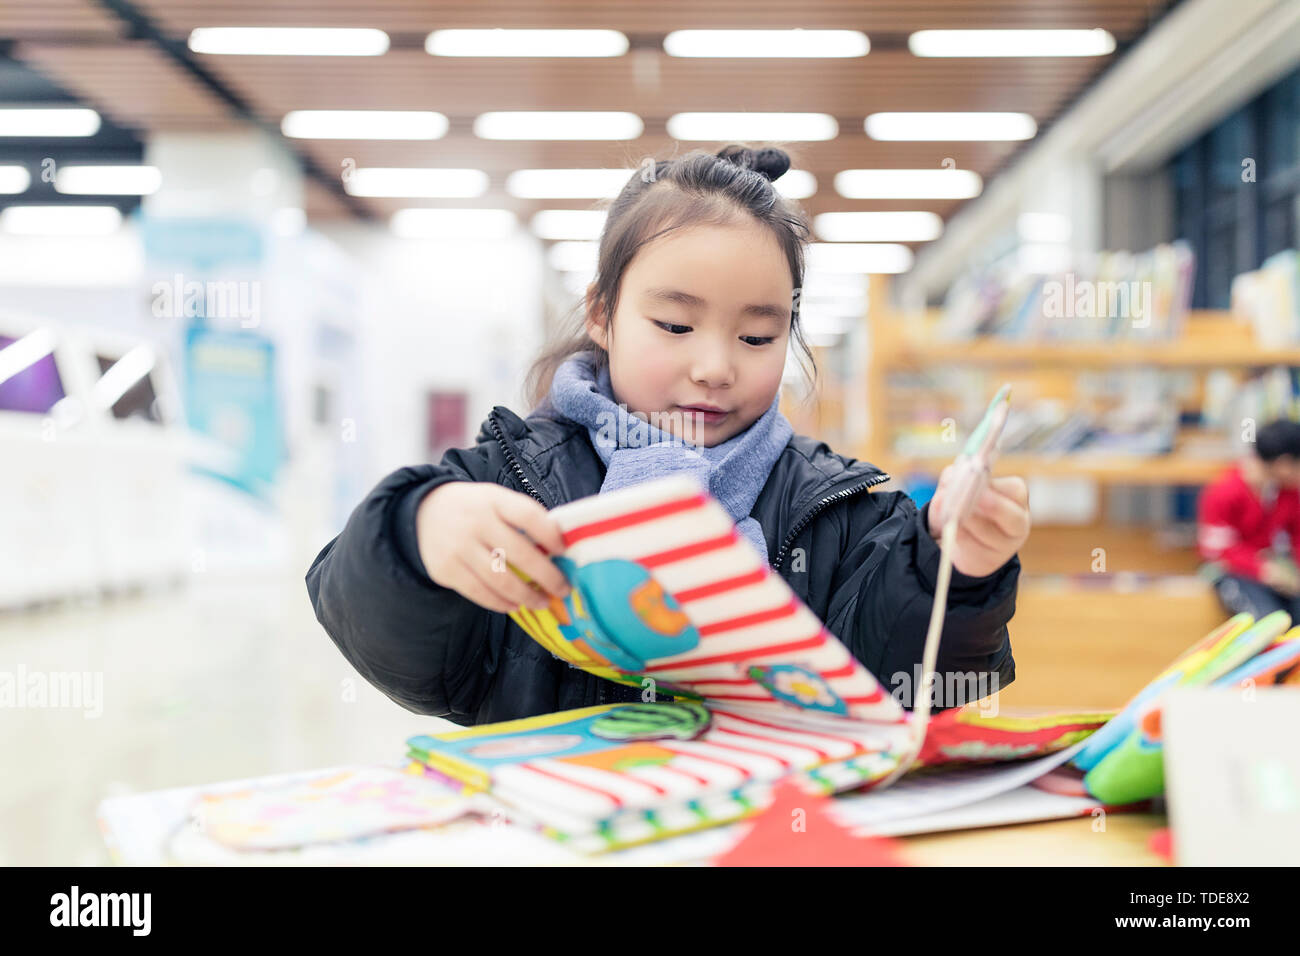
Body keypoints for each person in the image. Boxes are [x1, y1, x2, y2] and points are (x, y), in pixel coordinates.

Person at [305, 144, 1032, 726]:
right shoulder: (512, 476)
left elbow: (911, 688)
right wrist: (418, 531)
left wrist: (956, 572)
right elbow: (376, 626)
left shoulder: (847, 510)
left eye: (756, 335)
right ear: (601, 313)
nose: (715, 367)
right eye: (675, 326)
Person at [1198, 418, 1300, 619]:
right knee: (1269, 622)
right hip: (1232, 570)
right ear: (1284, 464)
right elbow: (1216, 551)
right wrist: (1264, 569)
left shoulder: (1288, 491)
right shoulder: (1225, 490)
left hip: (1276, 566)